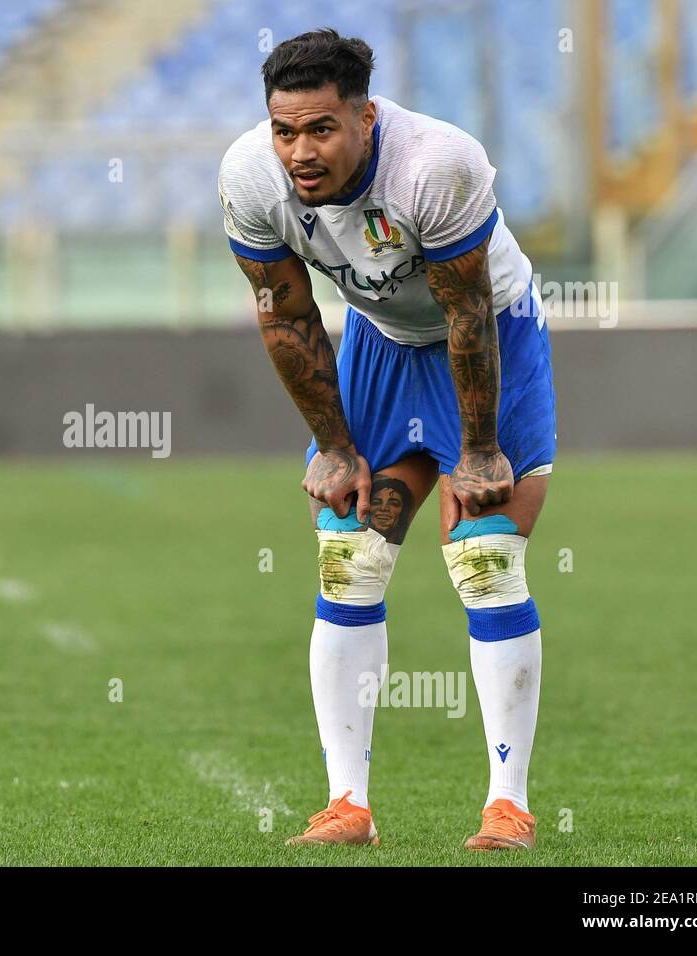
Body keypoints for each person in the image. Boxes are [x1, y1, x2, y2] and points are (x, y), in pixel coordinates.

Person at [218, 29, 556, 851]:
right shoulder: (250, 177)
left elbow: (466, 311)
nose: (300, 151)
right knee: (349, 555)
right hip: (379, 340)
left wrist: (480, 448)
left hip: (489, 335)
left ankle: (507, 806)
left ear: (365, 118)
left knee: (484, 558)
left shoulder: (435, 165)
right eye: (285, 130)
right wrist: (333, 444)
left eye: (321, 129)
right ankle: (348, 807)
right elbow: (286, 316)